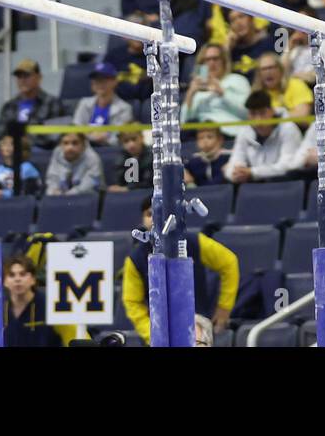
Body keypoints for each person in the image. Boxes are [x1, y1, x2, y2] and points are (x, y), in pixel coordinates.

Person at [122, 196, 237, 344]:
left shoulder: (195, 242)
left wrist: (224, 307)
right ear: (142, 220)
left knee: (195, 333)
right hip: (159, 327)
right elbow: (132, 302)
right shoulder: (135, 259)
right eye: (149, 215)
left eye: (159, 214)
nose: (154, 219)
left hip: (196, 319)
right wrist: (152, 333)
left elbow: (229, 262)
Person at [223, 91, 303, 183]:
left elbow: (287, 166)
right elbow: (234, 162)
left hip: (285, 184)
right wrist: (233, 173)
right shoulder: (244, 132)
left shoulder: (289, 129)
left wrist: (252, 172)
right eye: (253, 114)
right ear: (248, 115)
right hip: (255, 186)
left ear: (272, 111)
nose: (258, 120)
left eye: (262, 113)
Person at [2, 255, 74, 347]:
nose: (17, 279)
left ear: (33, 279)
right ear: (5, 281)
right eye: (12, 275)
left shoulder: (53, 306)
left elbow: (74, 336)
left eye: (23, 274)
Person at [0, 58, 65, 141]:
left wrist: (25, 141)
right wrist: (4, 143)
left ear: (39, 78)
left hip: (39, 152)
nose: (22, 80)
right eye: (19, 77)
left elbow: (55, 138)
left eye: (26, 76)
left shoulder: (52, 103)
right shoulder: (9, 106)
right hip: (11, 151)